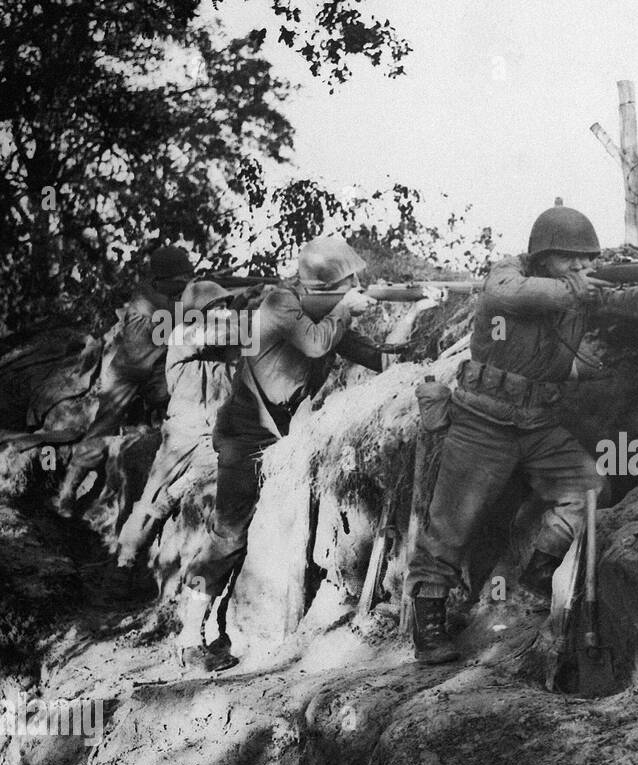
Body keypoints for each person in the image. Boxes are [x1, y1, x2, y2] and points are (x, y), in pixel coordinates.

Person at [405, 204, 638, 665]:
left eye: (587, 260)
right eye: (571, 259)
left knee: (590, 488)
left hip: (538, 424)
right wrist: (574, 288)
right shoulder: (509, 275)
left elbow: (631, 305)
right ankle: (427, 625)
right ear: (544, 256)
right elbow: (505, 292)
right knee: (449, 526)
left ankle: (537, 572)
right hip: (481, 422)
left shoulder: (580, 288)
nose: (583, 268)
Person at [178, 236, 391, 671]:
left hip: (282, 439)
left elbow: (376, 359)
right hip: (245, 435)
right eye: (348, 282)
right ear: (325, 282)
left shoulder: (324, 315)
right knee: (228, 534)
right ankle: (188, 634)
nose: (354, 288)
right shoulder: (281, 302)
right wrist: (347, 309)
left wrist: (417, 317)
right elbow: (315, 344)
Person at [107, 280, 242, 596]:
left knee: (209, 491)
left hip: (215, 436)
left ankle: (175, 501)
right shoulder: (183, 336)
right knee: (149, 500)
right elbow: (226, 333)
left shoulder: (230, 344)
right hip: (181, 434)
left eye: (225, 307)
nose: (223, 312)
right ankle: (123, 565)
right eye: (215, 308)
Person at [56, 245, 193, 515]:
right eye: (180, 280)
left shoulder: (165, 295)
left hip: (155, 375)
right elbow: (186, 313)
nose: (185, 284)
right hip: (126, 375)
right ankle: (68, 491)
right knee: (101, 429)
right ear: (163, 279)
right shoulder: (149, 299)